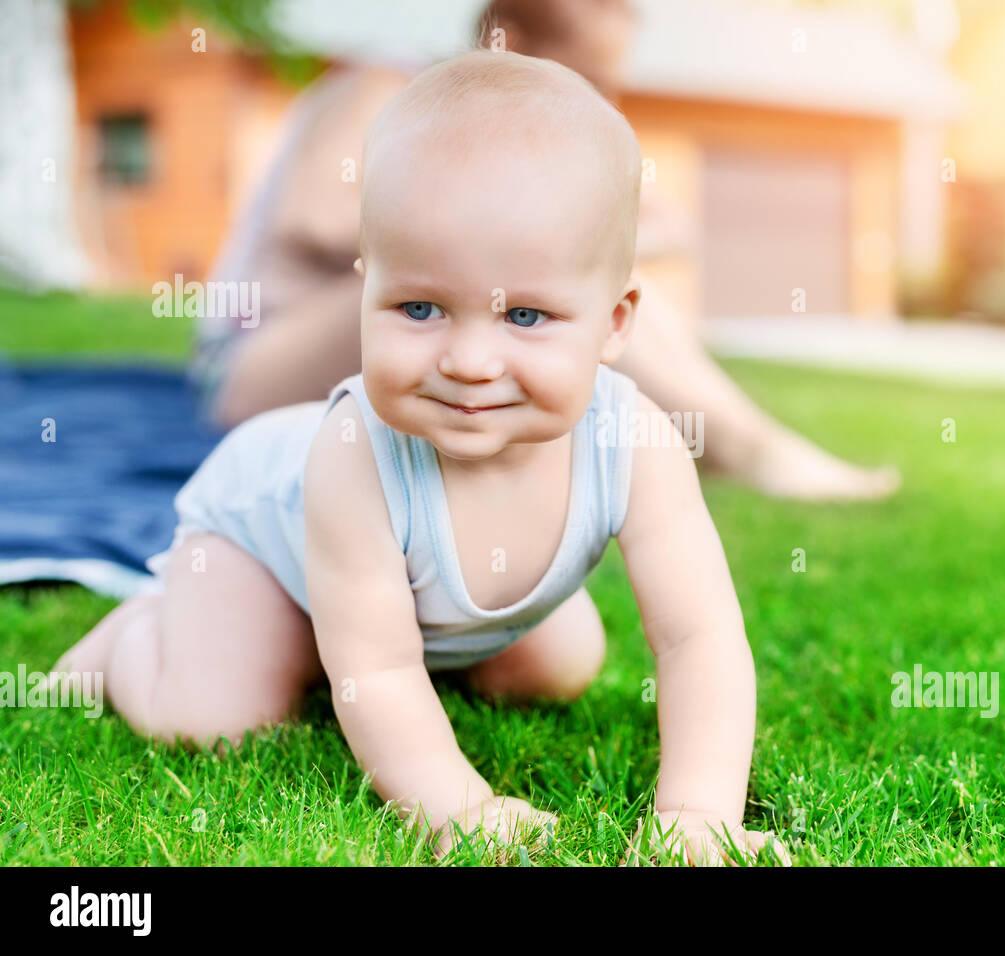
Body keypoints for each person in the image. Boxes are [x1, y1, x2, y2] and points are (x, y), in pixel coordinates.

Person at [54, 51, 790, 865]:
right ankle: (134, 638)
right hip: (259, 550)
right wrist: (458, 806)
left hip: (428, 598)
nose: (470, 360)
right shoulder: (355, 452)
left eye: (528, 317)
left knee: (561, 667)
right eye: (419, 307)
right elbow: (377, 669)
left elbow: (699, 638)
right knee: (219, 717)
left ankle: (317, 642)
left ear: (615, 323)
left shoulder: (638, 441)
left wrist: (695, 814)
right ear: (365, 293)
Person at [192, 0, 899, 502]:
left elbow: (658, 225)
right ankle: (750, 450)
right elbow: (314, 218)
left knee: (591, 276)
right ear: (507, 37)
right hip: (260, 367)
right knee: (554, 267)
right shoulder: (388, 87)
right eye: (585, 74)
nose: (601, 98)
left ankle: (726, 437)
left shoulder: (534, 143)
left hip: (386, 352)